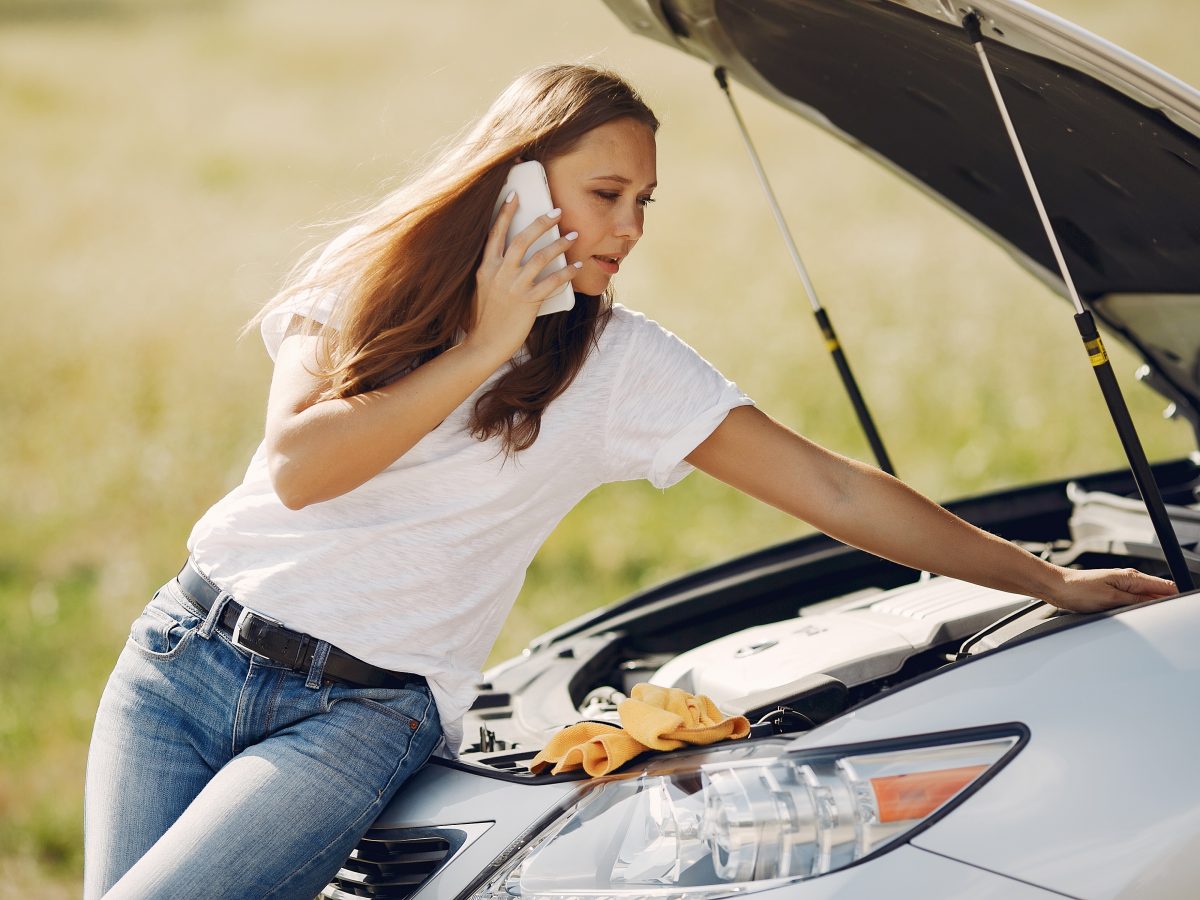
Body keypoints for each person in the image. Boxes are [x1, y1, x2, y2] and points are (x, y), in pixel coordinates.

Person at [83, 63, 1176, 899]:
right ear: (512, 180)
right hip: (183, 660)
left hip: (359, 718)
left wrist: (1045, 581)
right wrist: (481, 348)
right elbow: (301, 468)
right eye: (607, 192)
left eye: (645, 201)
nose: (631, 227)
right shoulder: (365, 281)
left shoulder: (621, 367)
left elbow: (834, 491)